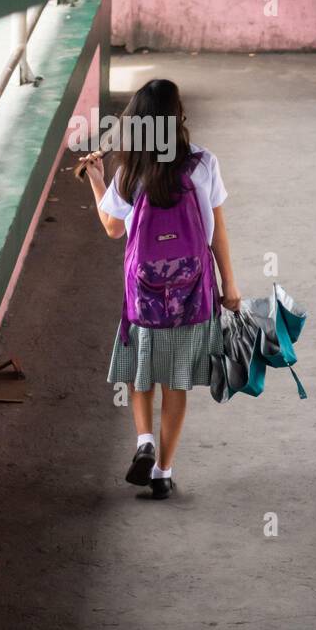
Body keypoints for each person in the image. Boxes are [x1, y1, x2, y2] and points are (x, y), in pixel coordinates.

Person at [83, 79, 241, 499]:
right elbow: (217, 233)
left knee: (142, 373)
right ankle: (163, 473)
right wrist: (230, 286)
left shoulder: (130, 172)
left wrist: (97, 179)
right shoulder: (203, 164)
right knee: (176, 383)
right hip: (193, 291)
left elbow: (113, 228)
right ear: (178, 118)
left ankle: (143, 442)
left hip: (144, 293)